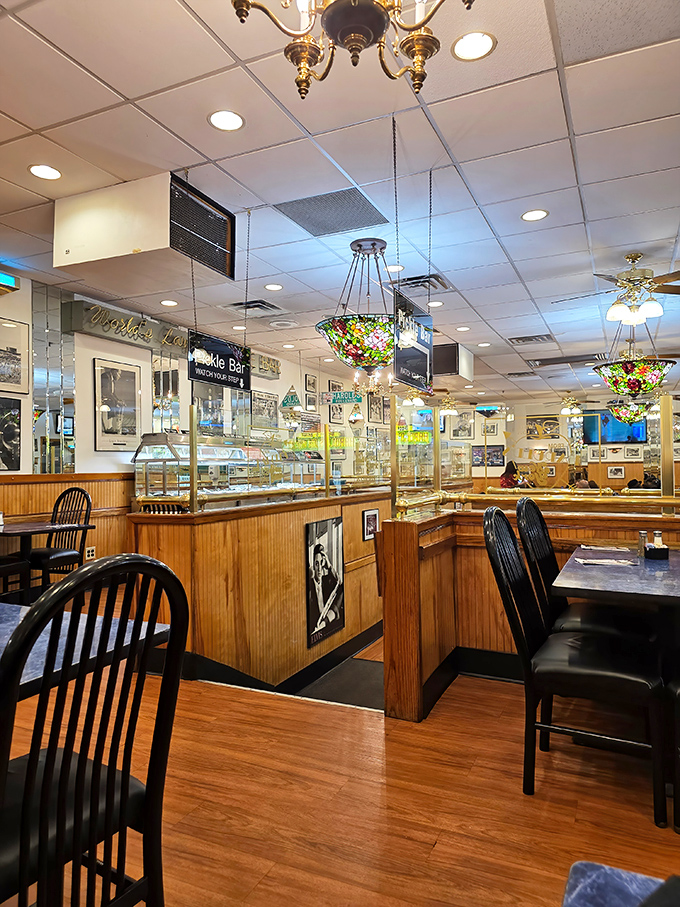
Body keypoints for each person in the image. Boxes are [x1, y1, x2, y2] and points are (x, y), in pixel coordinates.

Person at [308, 543, 343, 635]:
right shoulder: (309, 587)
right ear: (313, 566)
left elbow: (340, 585)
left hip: (327, 625)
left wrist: (329, 567)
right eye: (316, 564)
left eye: (321, 563)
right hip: (315, 630)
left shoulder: (327, 581)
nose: (319, 568)